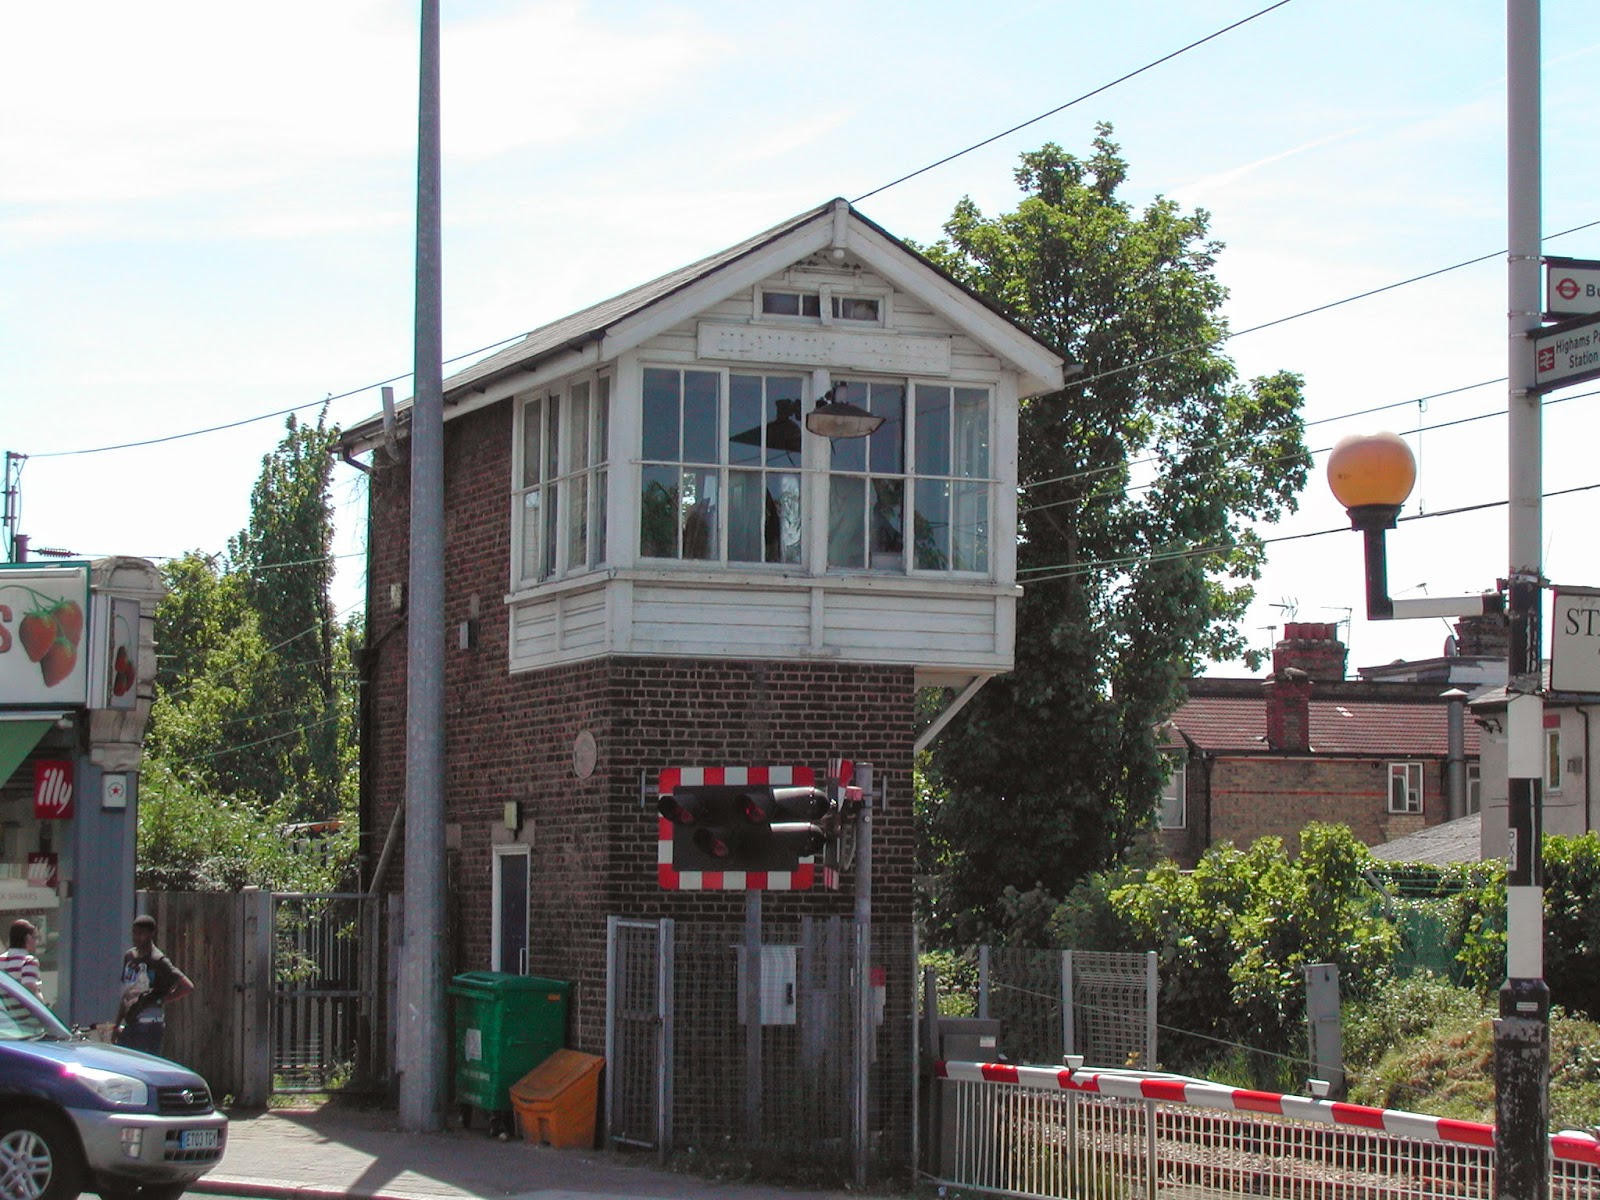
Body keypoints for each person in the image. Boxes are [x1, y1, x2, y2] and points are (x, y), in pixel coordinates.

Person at [113, 914, 193, 1055]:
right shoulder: (130, 957)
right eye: (135, 933)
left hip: (149, 1024)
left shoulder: (158, 960)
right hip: (130, 1021)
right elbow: (126, 993)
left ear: (151, 934)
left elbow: (187, 986)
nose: (137, 937)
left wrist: (160, 999)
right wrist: (117, 1023)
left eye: (141, 933)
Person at [0, 919, 44, 1000]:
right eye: (35, 937)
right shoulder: (28, 961)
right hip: (23, 1012)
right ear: (27, 938)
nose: (37, 942)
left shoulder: (1, 960)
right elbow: (30, 991)